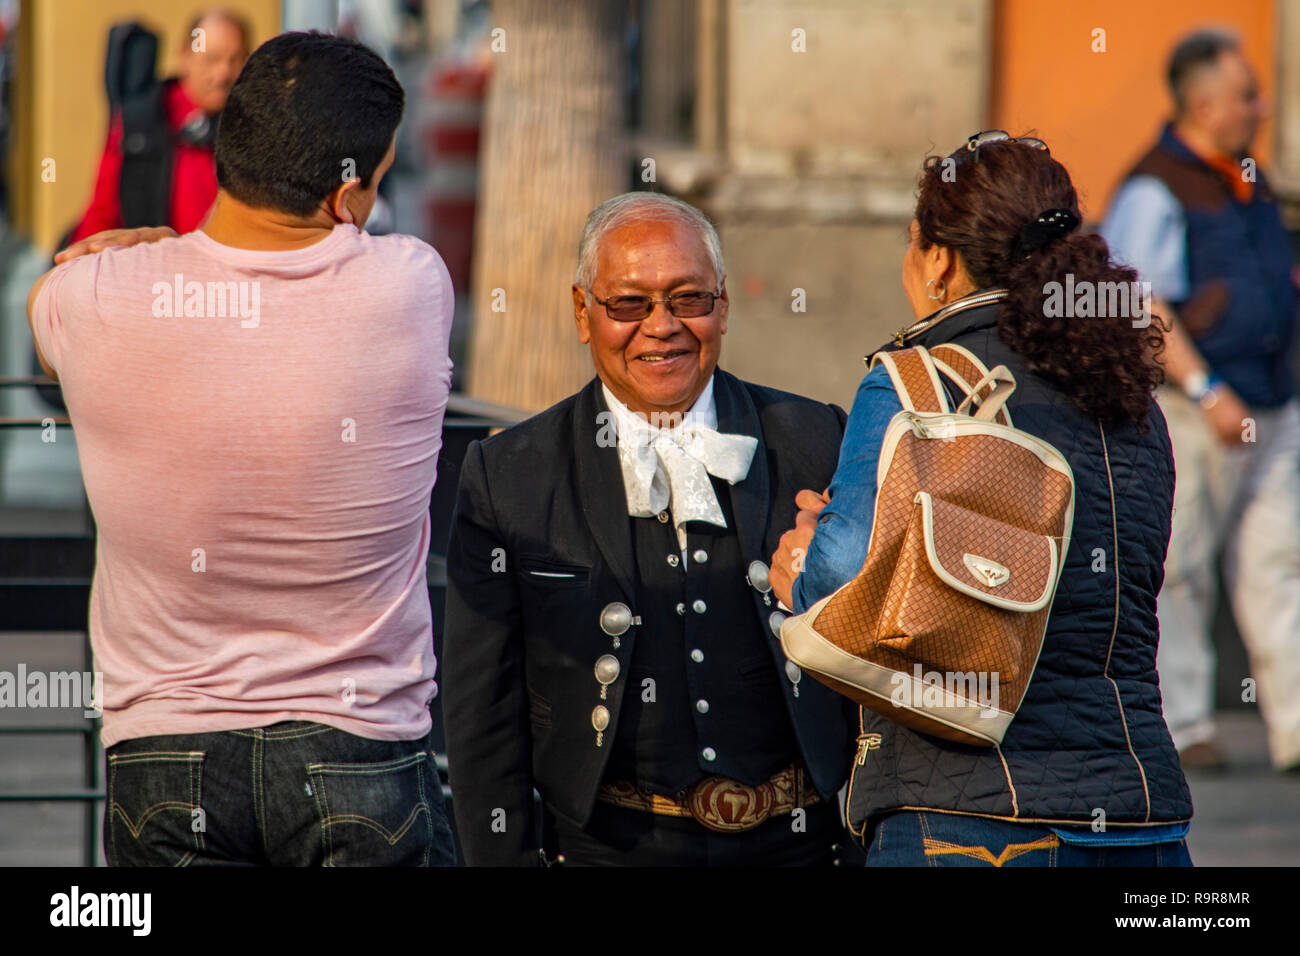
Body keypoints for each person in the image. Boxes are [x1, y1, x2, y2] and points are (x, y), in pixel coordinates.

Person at [26, 32, 456, 867]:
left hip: (163, 754)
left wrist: (130, 247)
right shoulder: (411, 286)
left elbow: (48, 293)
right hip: (358, 745)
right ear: (347, 194)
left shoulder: (94, 298)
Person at [771, 132, 1194, 866]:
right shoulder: (1133, 398)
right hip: (1144, 817)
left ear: (937, 259)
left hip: (973, 820)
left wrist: (801, 567)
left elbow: (838, 578)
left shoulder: (918, 380)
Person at [442, 192, 857, 866]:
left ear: (723, 306)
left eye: (688, 299)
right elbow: (482, 713)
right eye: (629, 305)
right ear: (584, 313)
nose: (661, 327)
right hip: (608, 850)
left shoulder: (818, 439)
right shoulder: (511, 474)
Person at [1101, 29, 1300, 773]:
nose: (1263, 105)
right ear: (1206, 103)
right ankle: (1185, 728)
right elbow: (1137, 301)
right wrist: (1207, 389)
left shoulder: (1247, 177)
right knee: (1180, 569)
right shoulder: (1155, 187)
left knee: (1280, 562)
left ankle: (1295, 730)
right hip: (1199, 411)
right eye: (1249, 95)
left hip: (1275, 404)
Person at [68, 8, 251, 242]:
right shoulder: (142, 120)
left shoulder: (254, 129)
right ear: (185, 56)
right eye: (212, 58)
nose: (224, 72)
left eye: (235, 60)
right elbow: (102, 214)